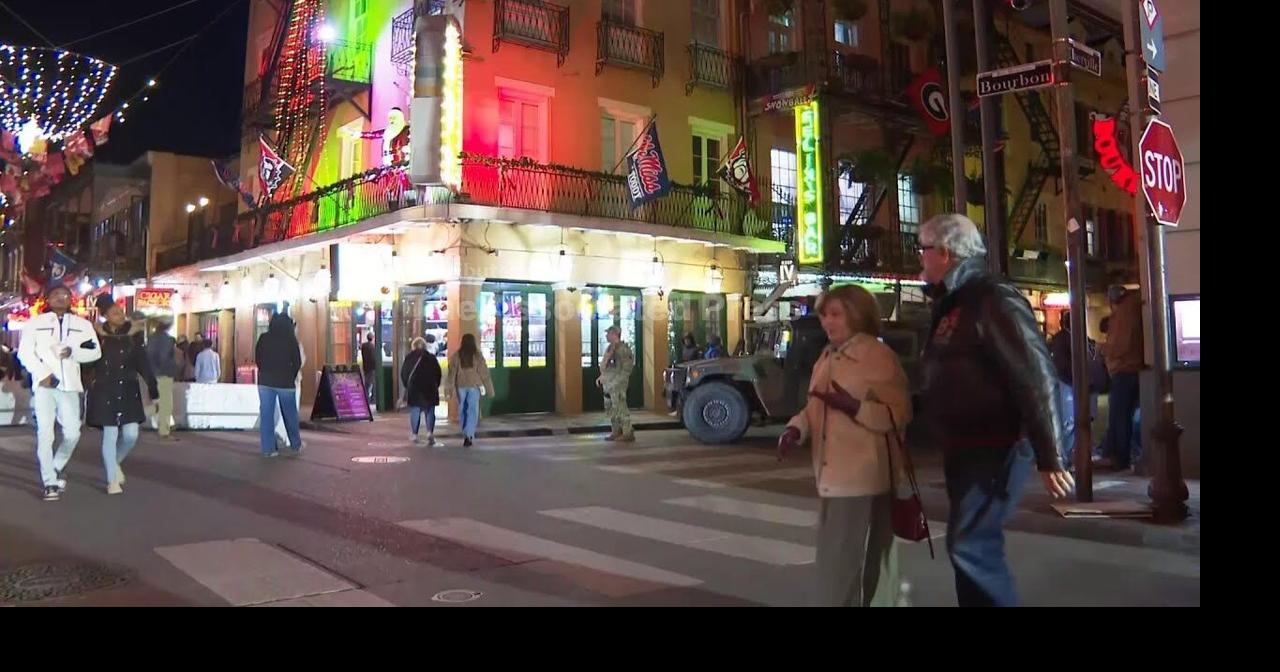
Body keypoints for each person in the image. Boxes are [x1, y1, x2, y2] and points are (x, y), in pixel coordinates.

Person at [915, 214, 1073, 607]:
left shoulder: (991, 297)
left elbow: (1034, 374)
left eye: (923, 249)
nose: (919, 258)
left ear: (945, 252)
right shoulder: (958, 298)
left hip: (995, 444)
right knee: (971, 544)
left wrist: (1050, 455)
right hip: (969, 444)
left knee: (971, 544)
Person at [777, 284, 912, 607]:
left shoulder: (876, 356)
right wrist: (796, 429)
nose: (827, 322)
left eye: (836, 314)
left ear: (857, 315)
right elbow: (815, 406)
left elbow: (899, 414)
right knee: (838, 564)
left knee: (845, 567)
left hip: (863, 475)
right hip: (831, 473)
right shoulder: (828, 355)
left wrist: (854, 406)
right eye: (824, 315)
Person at [19, 285, 102, 501]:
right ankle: (49, 482)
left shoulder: (82, 325)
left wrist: (74, 352)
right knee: (45, 435)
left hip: (70, 386)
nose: (60, 298)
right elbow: (25, 353)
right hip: (45, 386)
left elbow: (95, 351)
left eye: (65, 295)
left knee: (73, 433)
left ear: (71, 299)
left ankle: (56, 466)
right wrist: (42, 373)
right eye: (55, 294)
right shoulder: (35, 324)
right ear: (48, 298)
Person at [88, 300, 159, 495]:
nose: (120, 315)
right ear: (106, 316)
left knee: (131, 435)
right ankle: (112, 481)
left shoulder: (134, 335)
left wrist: (154, 390)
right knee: (109, 435)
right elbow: (87, 362)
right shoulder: (96, 335)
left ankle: (115, 462)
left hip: (128, 389)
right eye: (115, 313)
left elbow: (143, 363)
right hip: (105, 389)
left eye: (121, 312)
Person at [1047, 311, 1102, 471]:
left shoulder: (1077, 338)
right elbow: (1062, 364)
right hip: (1070, 383)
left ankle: (1074, 455)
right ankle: (1063, 457)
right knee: (1069, 422)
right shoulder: (1065, 339)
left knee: (1079, 420)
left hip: (1079, 383)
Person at [1099, 285, 1143, 471]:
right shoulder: (1135, 308)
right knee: (1126, 416)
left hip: (1124, 369)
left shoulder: (1124, 313)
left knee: (1119, 416)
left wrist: (1105, 350)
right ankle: (1117, 453)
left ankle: (1119, 457)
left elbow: (1120, 344)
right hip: (1134, 368)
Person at [255, 313, 303, 457]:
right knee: (290, 414)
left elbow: (258, 358)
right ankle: (295, 444)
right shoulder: (290, 339)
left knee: (266, 415)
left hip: (265, 381)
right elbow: (297, 362)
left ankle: (268, 449)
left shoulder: (264, 338)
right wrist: (291, 375)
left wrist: (264, 371)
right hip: (285, 382)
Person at [447, 333, 493, 448]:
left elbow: (451, 374)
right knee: (472, 410)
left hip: (461, 386)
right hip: (474, 385)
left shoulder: (456, 356)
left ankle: (466, 432)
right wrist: (489, 389)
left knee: (462, 408)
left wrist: (449, 390)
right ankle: (469, 434)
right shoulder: (478, 355)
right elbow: (484, 373)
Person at [596, 325, 636, 442]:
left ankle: (627, 432)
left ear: (614, 334)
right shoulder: (610, 348)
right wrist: (602, 377)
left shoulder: (623, 350)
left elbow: (626, 370)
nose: (606, 336)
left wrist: (616, 382)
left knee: (620, 407)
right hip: (608, 384)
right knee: (611, 409)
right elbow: (607, 366)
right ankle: (616, 431)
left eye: (608, 333)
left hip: (617, 385)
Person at [402, 336, 443, 446]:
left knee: (415, 411)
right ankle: (430, 433)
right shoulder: (431, 358)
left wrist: (408, 385)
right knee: (430, 411)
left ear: (413, 346)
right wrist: (436, 385)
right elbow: (438, 374)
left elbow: (404, 374)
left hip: (415, 389)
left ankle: (415, 434)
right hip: (430, 388)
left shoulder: (409, 358)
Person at [147, 320, 181, 440]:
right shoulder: (167, 339)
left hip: (152, 373)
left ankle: (142, 415)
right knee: (165, 404)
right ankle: (164, 431)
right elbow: (164, 357)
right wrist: (174, 368)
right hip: (164, 373)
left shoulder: (151, 338)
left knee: (158, 401)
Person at [360, 332, 378, 407]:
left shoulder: (363, 346)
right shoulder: (372, 347)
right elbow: (373, 358)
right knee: (372, 383)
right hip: (372, 367)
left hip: (365, 367)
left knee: (367, 383)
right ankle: (372, 399)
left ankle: (366, 398)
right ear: (373, 338)